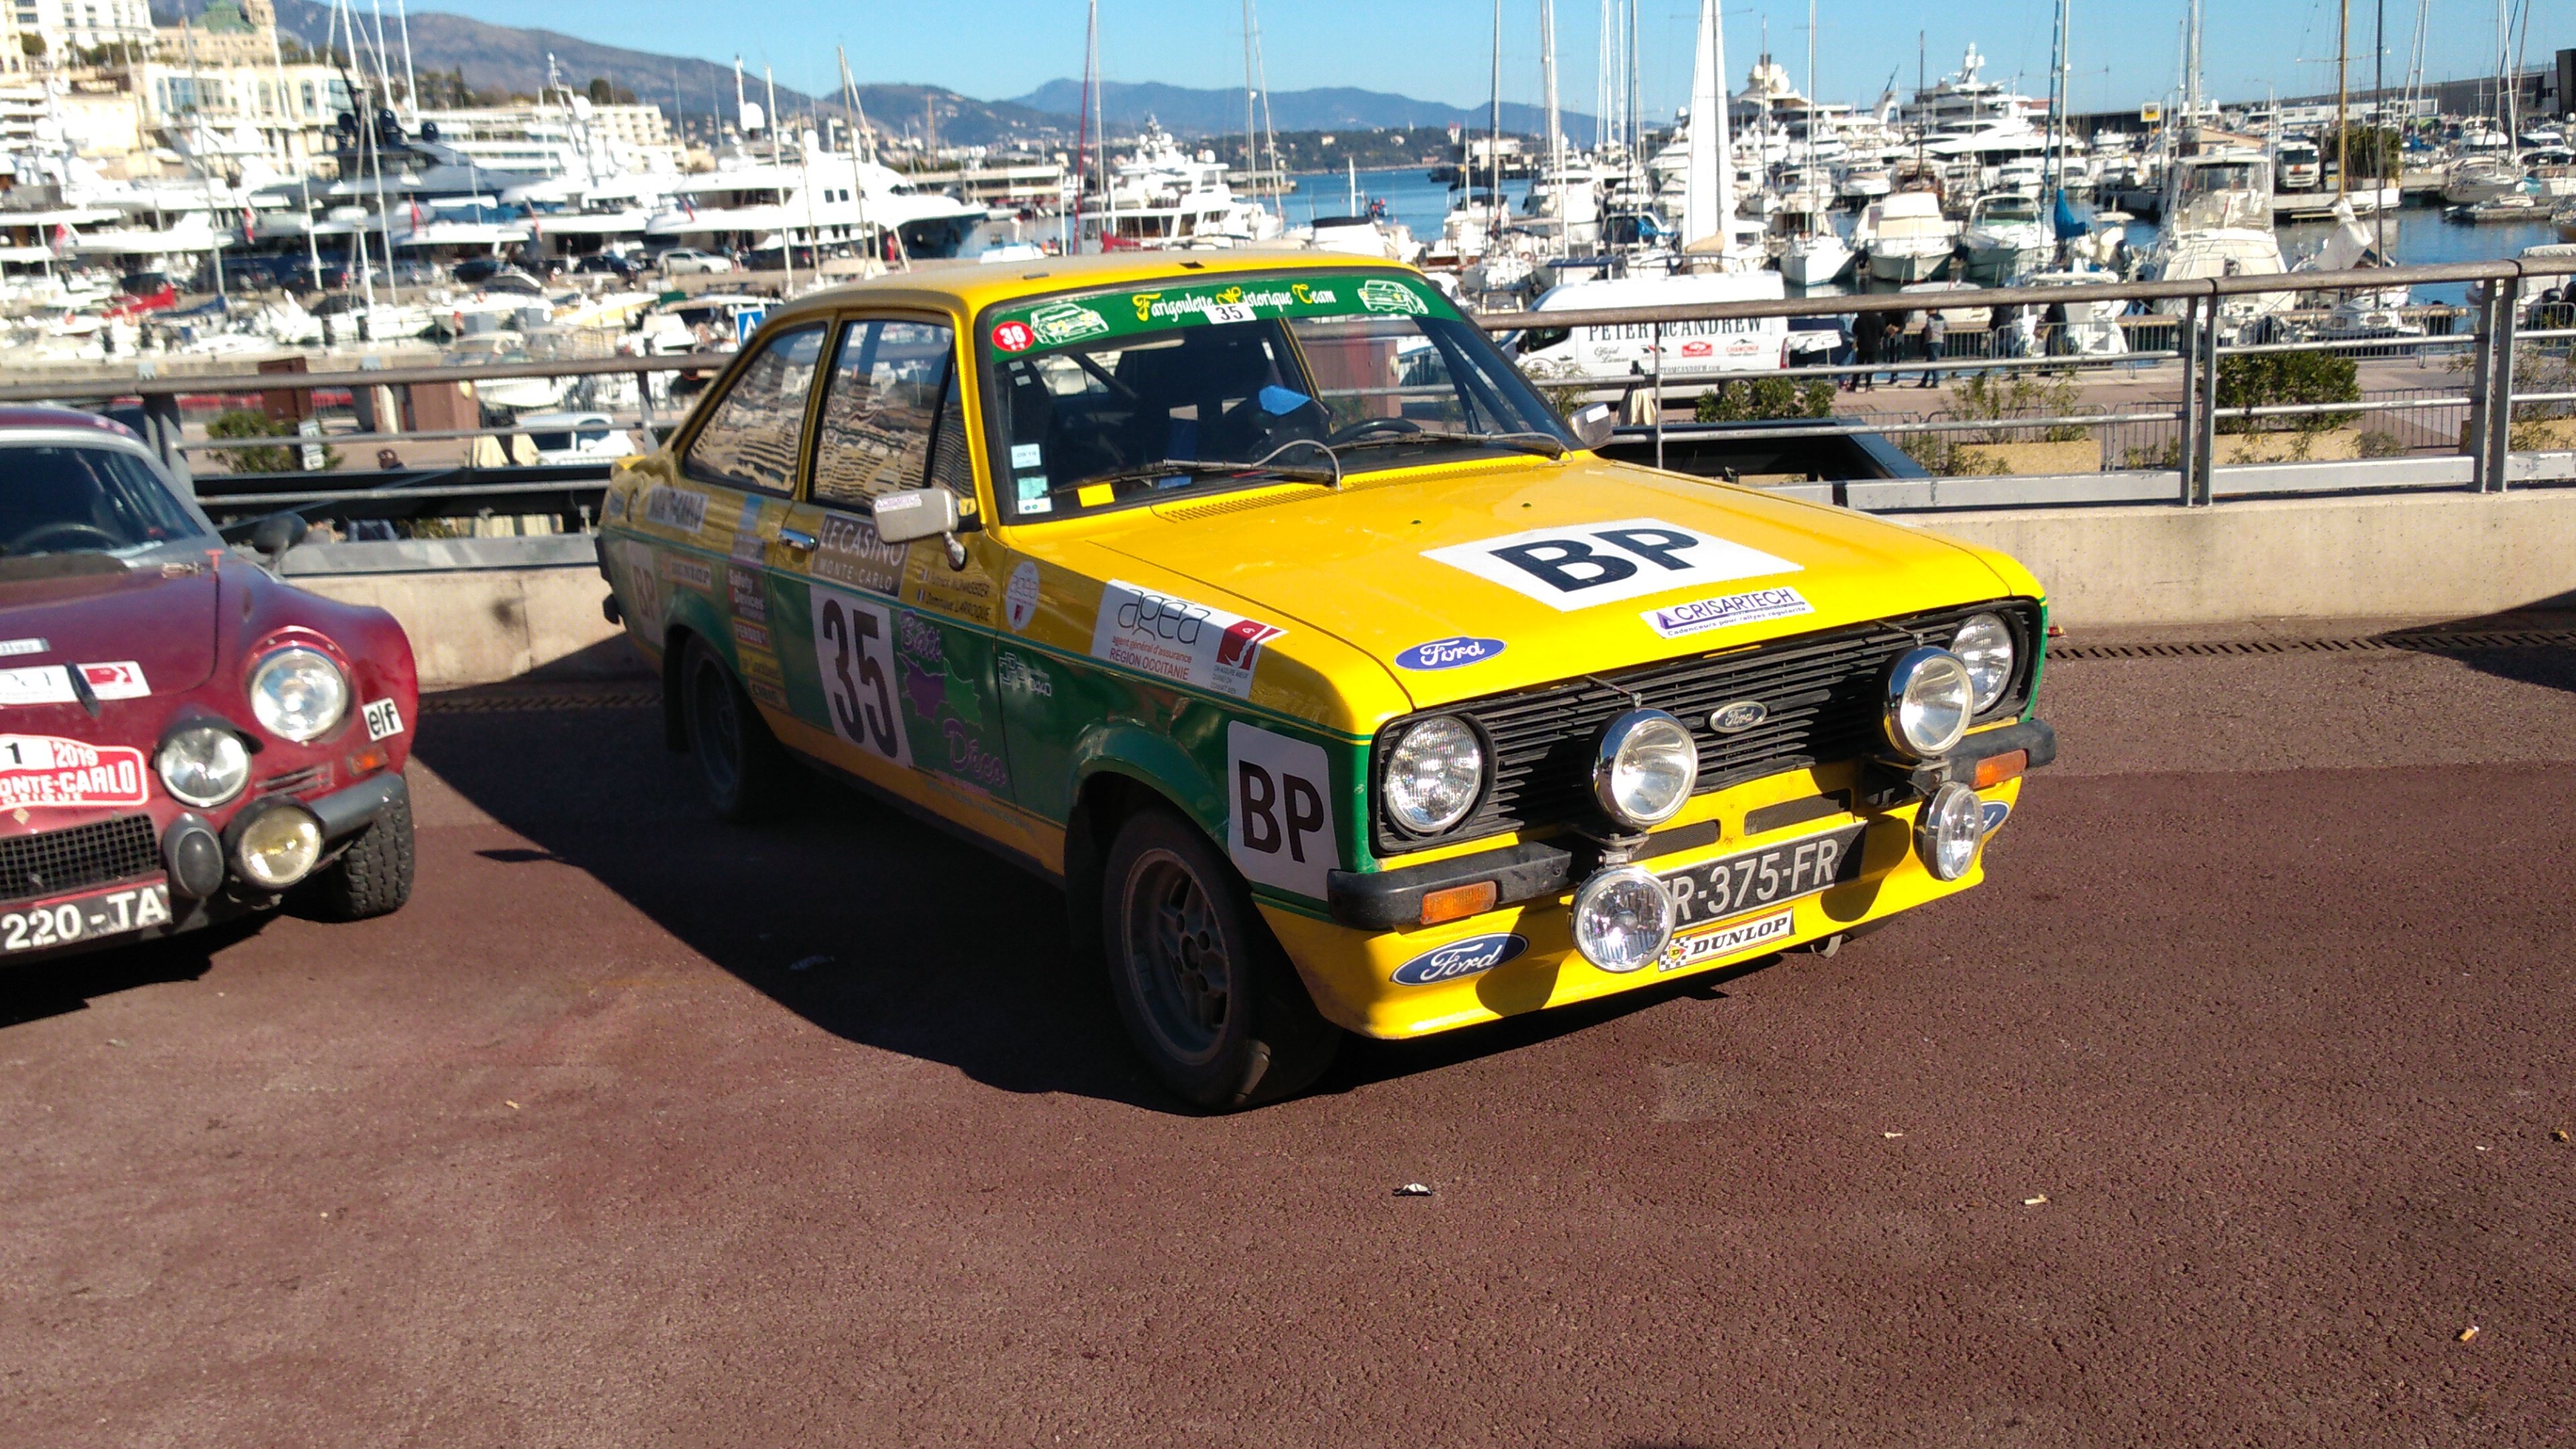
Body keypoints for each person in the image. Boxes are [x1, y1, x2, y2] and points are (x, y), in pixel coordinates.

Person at [1919, 309, 1947, 388]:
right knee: (1930, 361)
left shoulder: (1930, 318)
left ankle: (1935, 381)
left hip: (1932, 342)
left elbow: (1930, 329)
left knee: (1933, 362)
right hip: (1940, 341)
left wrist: (1927, 339)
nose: (1926, 312)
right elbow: (1947, 327)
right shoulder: (1942, 318)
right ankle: (1924, 381)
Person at [1876, 313, 1902, 390]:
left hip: (1897, 335)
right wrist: (1887, 328)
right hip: (1888, 335)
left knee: (1896, 356)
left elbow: (1902, 325)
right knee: (1888, 356)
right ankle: (1893, 375)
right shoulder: (1885, 314)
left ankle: (1894, 376)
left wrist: (1897, 329)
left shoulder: (1900, 314)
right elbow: (1882, 324)